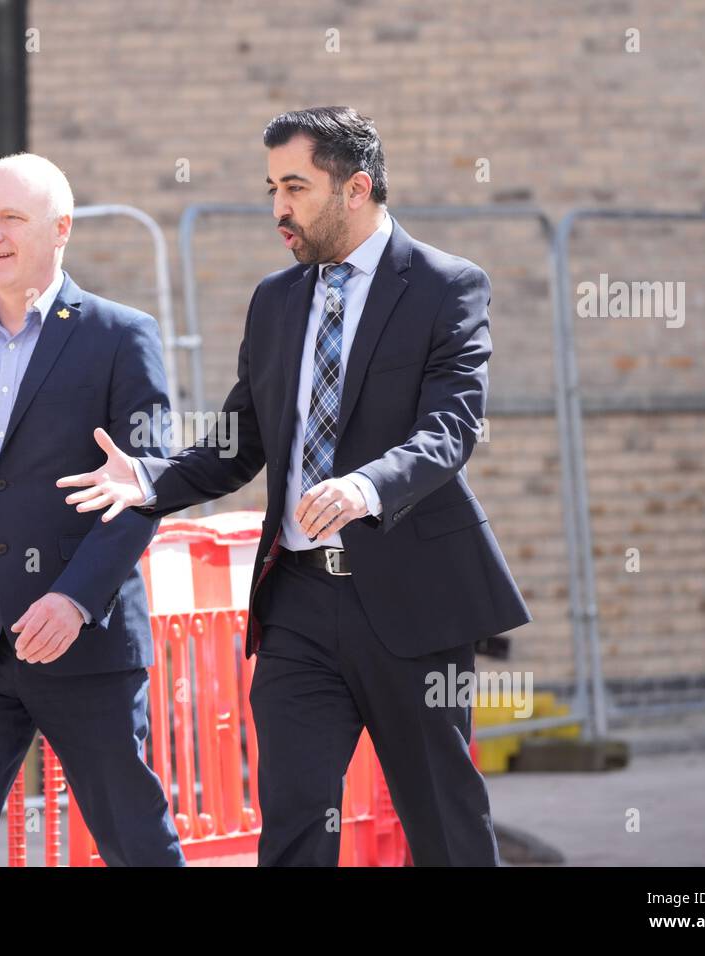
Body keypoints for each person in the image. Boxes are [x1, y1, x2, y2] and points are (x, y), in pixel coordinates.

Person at [58, 107, 531, 866]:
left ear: (356, 188)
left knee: (444, 822)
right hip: (299, 607)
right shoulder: (276, 302)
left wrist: (365, 488)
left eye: (295, 186)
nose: (278, 207)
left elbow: (452, 428)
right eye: (271, 187)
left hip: (412, 602)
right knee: (294, 824)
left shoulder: (446, 287)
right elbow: (238, 443)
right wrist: (148, 477)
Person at [0, 152, 184, 866]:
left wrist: (73, 599)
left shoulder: (122, 337)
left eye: (11, 218)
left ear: (60, 229)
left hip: (87, 646)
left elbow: (142, 492)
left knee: (135, 841)